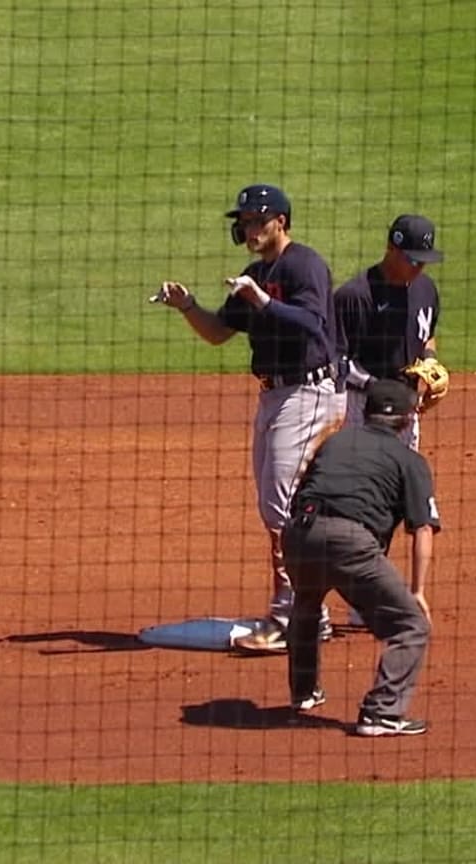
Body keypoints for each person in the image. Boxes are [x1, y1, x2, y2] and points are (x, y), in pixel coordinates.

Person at [155, 183, 347, 653]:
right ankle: (310, 606)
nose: (248, 229)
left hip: (309, 392)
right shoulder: (254, 273)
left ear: (280, 222)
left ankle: (296, 616)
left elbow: (313, 324)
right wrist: (187, 306)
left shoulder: (305, 265)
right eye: (243, 222)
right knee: (274, 504)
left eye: (257, 221)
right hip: (274, 398)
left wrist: (261, 299)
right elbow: (220, 332)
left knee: (282, 506)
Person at [281, 378, 441, 736]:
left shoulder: (335, 441)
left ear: (367, 412)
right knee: (411, 625)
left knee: (307, 603)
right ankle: (381, 713)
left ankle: (303, 693)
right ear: (405, 419)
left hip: (299, 532)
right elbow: (423, 529)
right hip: (349, 541)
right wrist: (418, 592)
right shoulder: (409, 460)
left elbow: (302, 490)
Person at [334, 214, 447, 452]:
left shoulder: (426, 289)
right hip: (361, 406)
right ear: (390, 248)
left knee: (401, 477)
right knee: (363, 477)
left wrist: (430, 361)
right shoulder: (355, 296)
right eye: (413, 260)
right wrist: (375, 386)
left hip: (406, 404)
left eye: (423, 261)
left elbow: (427, 334)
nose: (419, 267)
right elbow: (336, 359)